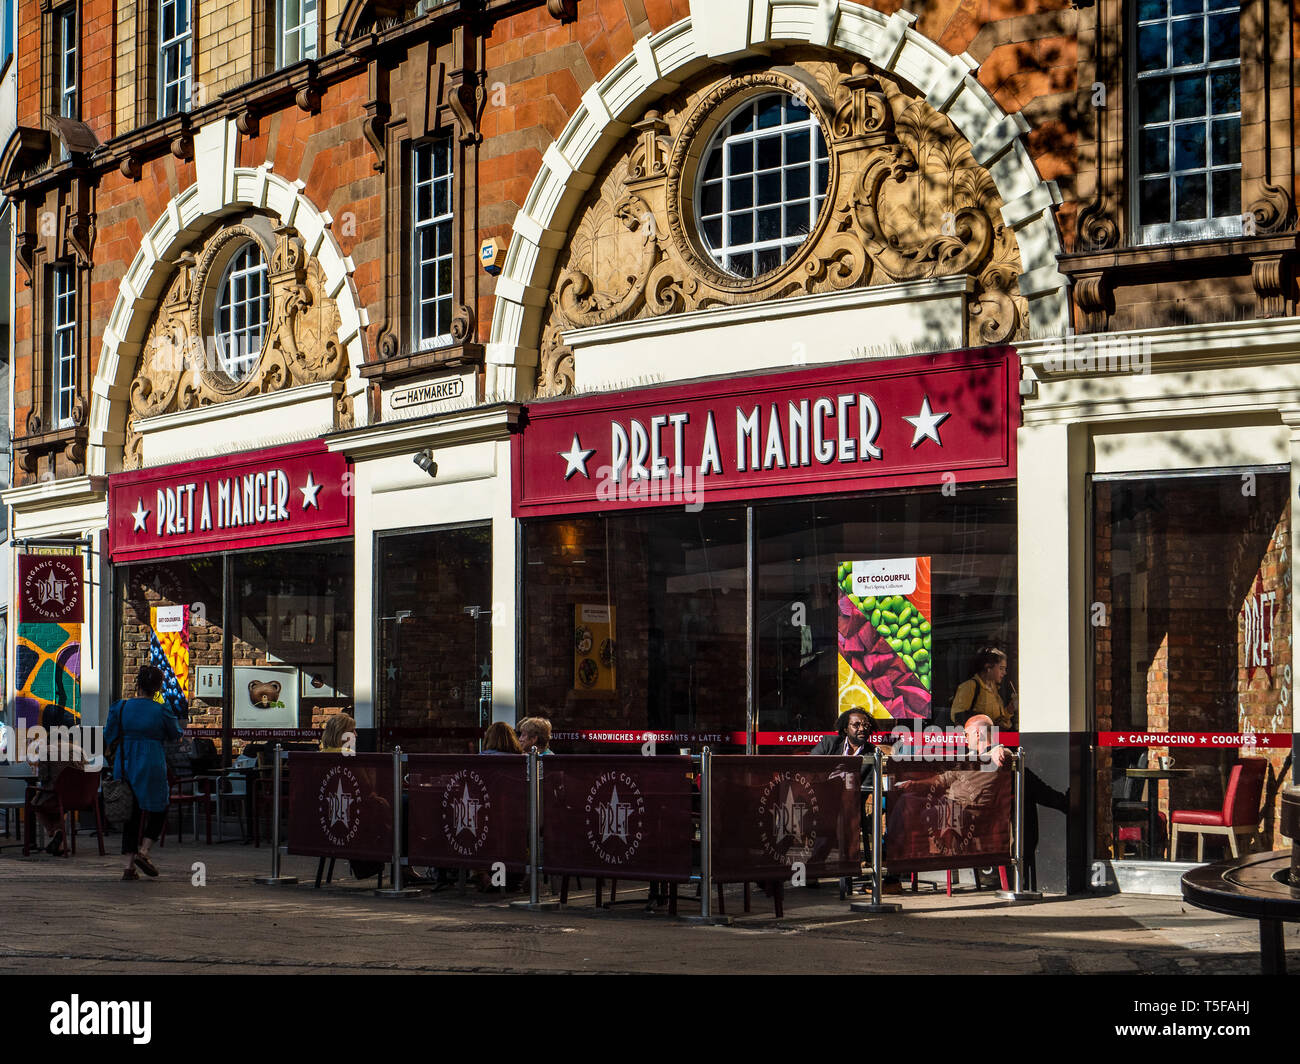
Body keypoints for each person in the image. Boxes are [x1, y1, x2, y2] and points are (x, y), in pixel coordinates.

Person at [105, 665, 184, 881]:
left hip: (126, 761)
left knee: (131, 812)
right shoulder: (162, 709)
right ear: (158, 687)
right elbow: (175, 734)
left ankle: (128, 866)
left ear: (137, 684)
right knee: (159, 806)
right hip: (152, 761)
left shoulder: (120, 707)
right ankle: (145, 851)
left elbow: (109, 734)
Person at [951, 647, 1016, 730]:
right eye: (1001, 668)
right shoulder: (970, 686)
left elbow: (999, 720)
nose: (1004, 672)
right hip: (979, 739)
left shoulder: (994, 688)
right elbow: (957, 717)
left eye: (1005, 669)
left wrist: (1009, 711)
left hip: (994, 738)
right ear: (988, 667)